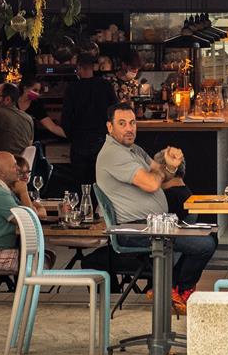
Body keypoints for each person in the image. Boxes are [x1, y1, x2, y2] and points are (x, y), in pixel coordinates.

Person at [95, 105, 217, 314]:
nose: (129, 128)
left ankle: (170, 288)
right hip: (134, 229)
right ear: (110, 127)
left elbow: (160, 174)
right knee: (204, 244)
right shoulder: (113, 154)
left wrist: (171, 164)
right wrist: (166, 169)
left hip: (154, 225)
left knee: (209, 238)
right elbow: (152, 183)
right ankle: (176, 289)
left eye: (132, 123)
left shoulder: (134, 150)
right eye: (122, 124)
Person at [61, 48, 116, 187]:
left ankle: (82, 207)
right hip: (102, 141)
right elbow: (115, 111)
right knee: (101, 183)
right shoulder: (105, 86)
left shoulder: (72, 89)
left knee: (81, 184)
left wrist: (72, 137)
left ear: (79, 68)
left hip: (80, 142)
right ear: (94, 67)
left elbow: (66, 119)